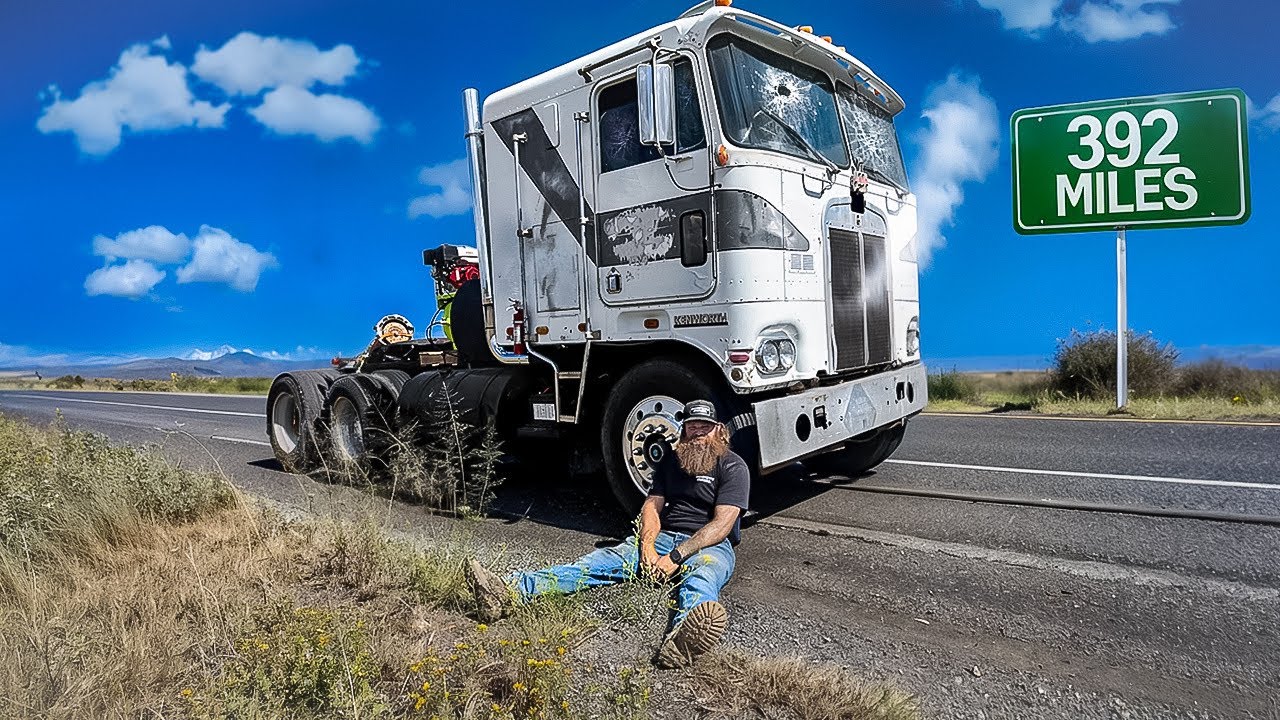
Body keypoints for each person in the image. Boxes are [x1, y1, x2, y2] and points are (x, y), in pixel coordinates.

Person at [465, 399, 751, 668]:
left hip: (709, 545)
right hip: (664, 537)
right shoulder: (670, 461)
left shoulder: (733, 465)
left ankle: (682, 642)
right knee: (596, 563)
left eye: (705, 426)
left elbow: (723, 523)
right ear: (683, 429)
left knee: (703, 576)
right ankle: (509, 592)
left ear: (718, 430)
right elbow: (651, 507)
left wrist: (676, 557)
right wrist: (647, 548)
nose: (698, 432)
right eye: (692, 426)